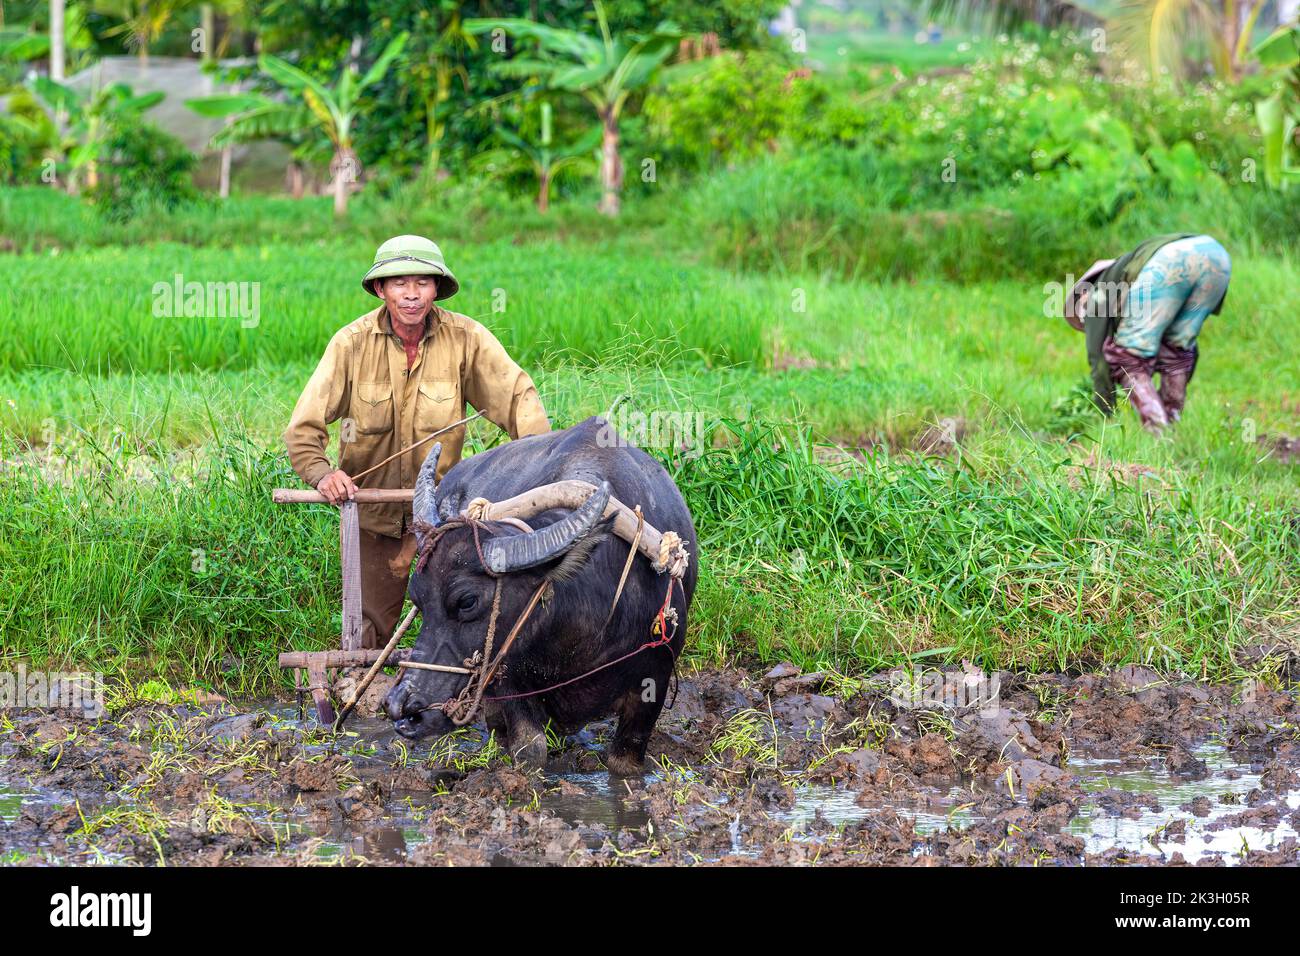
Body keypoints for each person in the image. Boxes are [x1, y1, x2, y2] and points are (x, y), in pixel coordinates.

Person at [284, 235, 550, 648]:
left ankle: (457, 694)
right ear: (380, 289)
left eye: (423, 283)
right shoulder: (350, 345)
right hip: (373, 515)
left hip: (445, 521)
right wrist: (323, 475)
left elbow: (519, 400)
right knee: (369, 634)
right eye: (399, 283)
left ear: (436, 288)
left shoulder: (466, 340)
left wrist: (536, 474)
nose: (412, 295)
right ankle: (368, 698)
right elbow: (303, 428)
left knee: (463, 617)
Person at [1064, 234, 1230, 432]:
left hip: (1169, 262)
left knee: (1127, 359)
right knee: (1176, 352)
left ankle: (1159, 434)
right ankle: (1174, 426)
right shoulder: (1127, 271)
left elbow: (1098, 358)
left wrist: (1106, 413)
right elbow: (1186, 351)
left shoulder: (1096, 293)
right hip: (1216, 255)